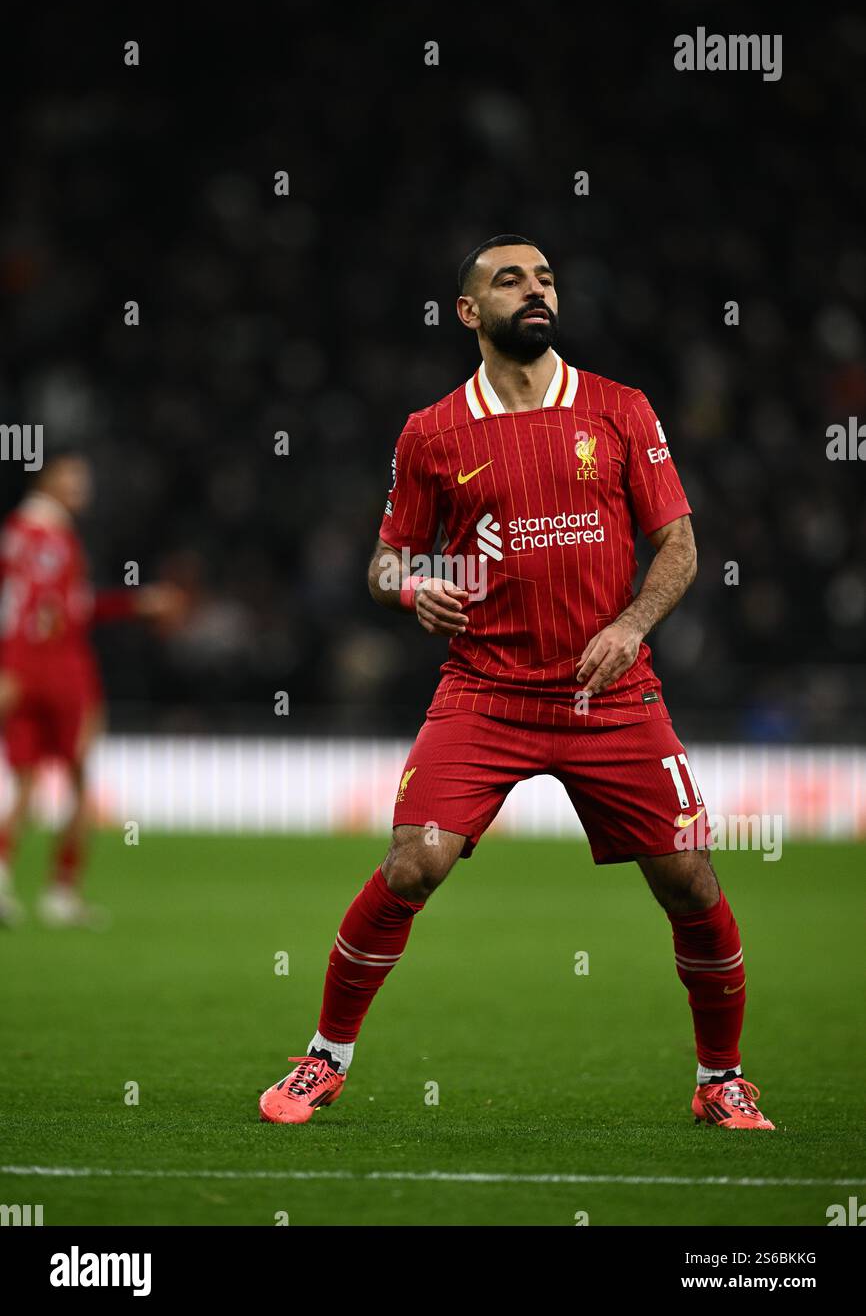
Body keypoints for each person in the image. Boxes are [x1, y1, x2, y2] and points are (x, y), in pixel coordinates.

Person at [259, 235, 773, 1131]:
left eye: (544, 279)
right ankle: (323, 1059)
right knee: (413, 863)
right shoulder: (432, 431)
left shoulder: (620, 409)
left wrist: (630, 624)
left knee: (691, 880)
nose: (535, 291)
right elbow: (384, 564)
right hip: (484, 692)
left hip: (611, 697)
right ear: (469, 313)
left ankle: (720, 1078)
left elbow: (681, 548)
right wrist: (414, 589)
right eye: (510, 280)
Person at [0, 452, 184, 927]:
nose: (83, 485)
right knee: (78, 781)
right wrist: (134, 604)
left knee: (24, 783)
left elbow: (43, 607)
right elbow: (54, 610)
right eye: (73, 477)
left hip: (19, 667)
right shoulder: (50, 537)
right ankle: (62, 892)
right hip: (61, 669)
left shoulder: (16, 533)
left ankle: (4, 881)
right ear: (47, 481)